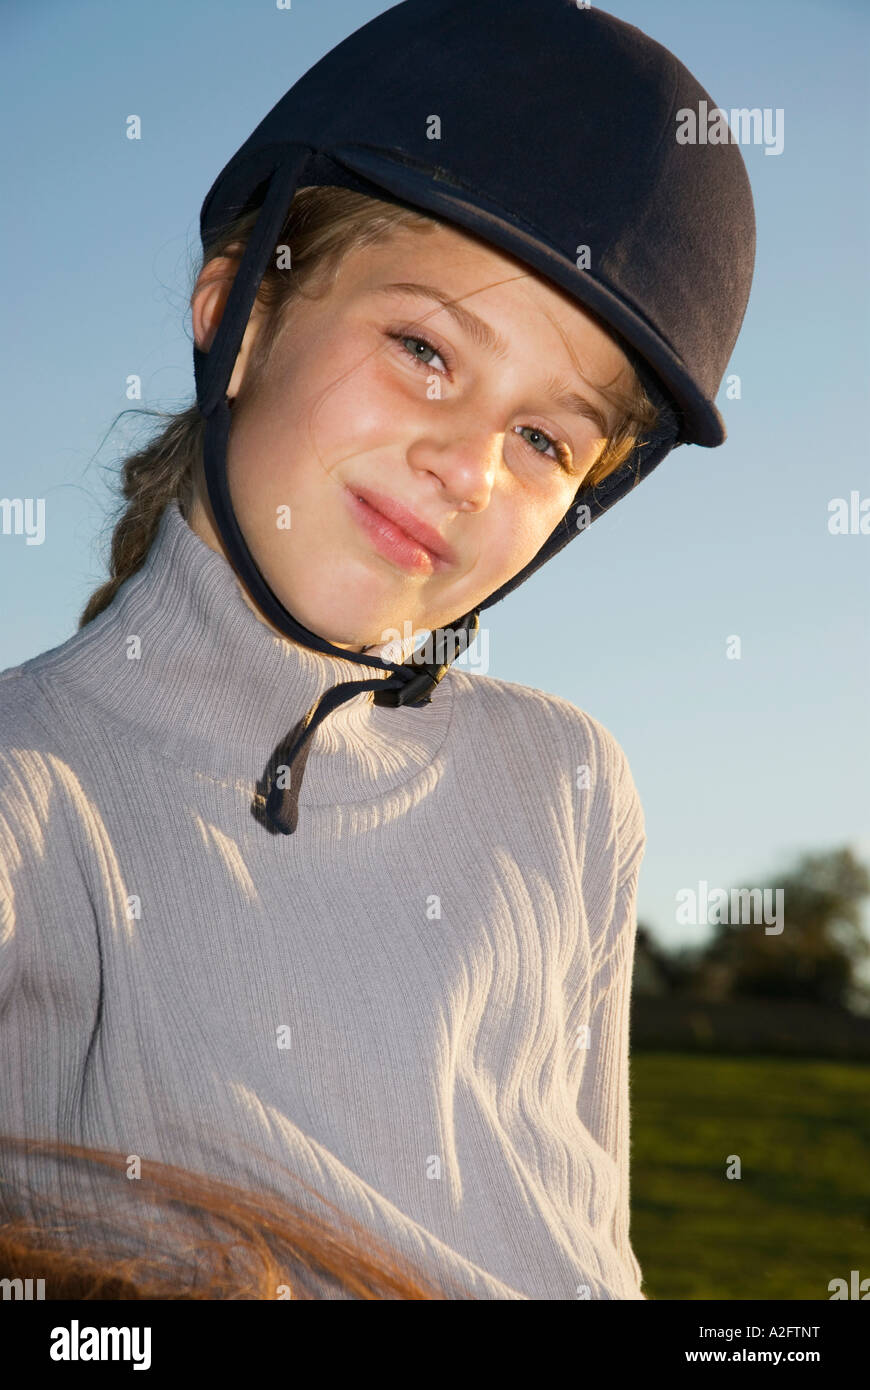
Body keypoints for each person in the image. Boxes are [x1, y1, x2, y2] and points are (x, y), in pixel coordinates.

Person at [0, 0, 755, 1299]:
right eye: (423, 350)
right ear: (238, 305)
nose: (466, 466)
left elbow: (591, 1249)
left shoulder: (567, 780)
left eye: (544, 440)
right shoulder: (35, 798)